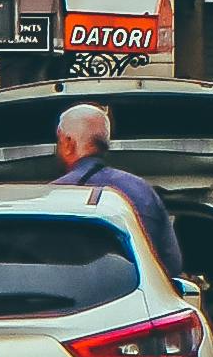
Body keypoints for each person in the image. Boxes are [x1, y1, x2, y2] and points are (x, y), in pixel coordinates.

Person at [58, 90, 179, 272]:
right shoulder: (143, 191)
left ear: (68, 143)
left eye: (59, 141)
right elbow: (172, 265)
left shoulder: (55, 195)